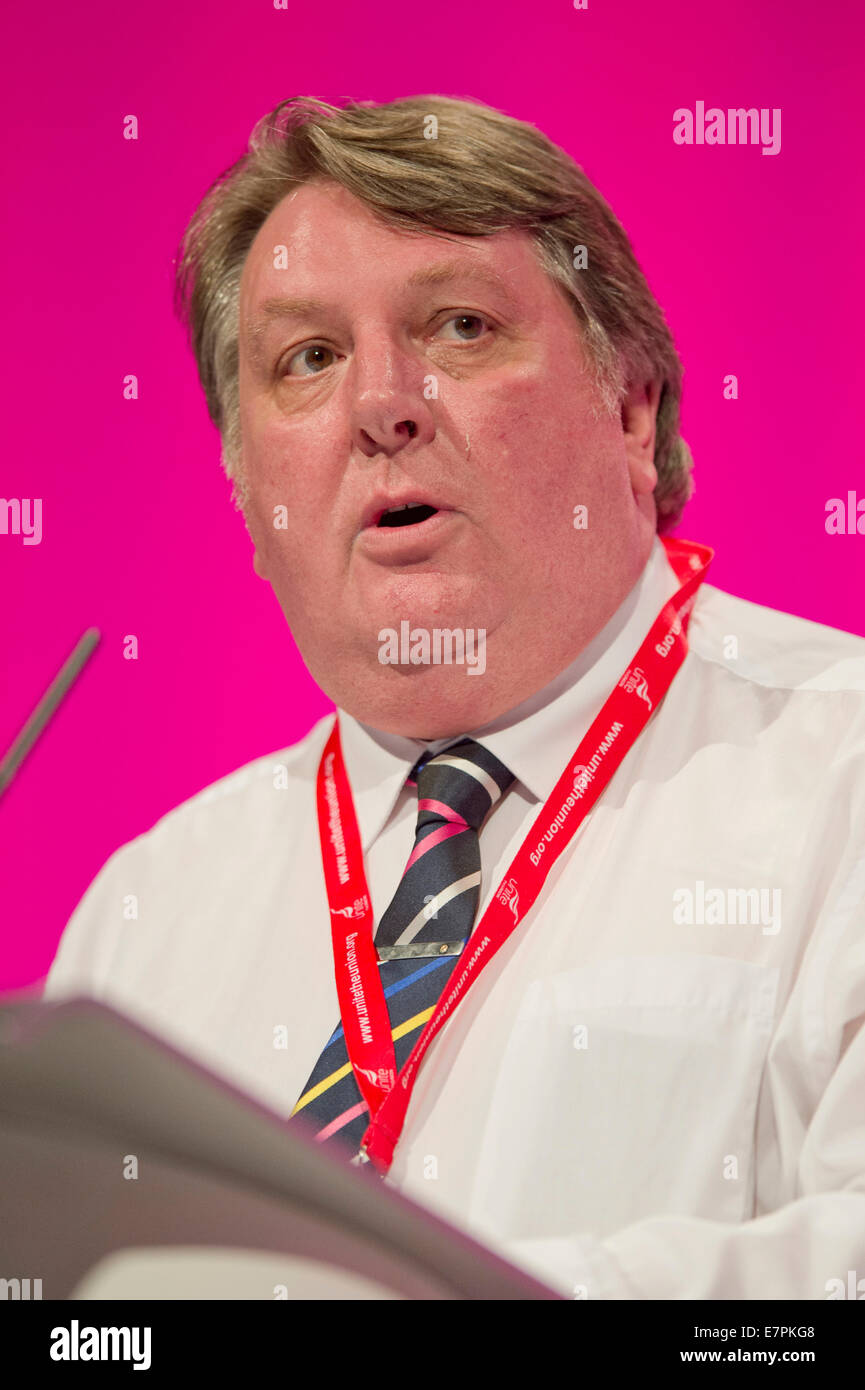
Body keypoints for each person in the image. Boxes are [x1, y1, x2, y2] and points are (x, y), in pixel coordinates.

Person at [43, 94, 865, 1300]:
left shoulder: (838, 775)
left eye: (461, 325)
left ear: (630, 409)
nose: (383, 401)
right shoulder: (143, 916)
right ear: (242, 487)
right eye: (307, 358)